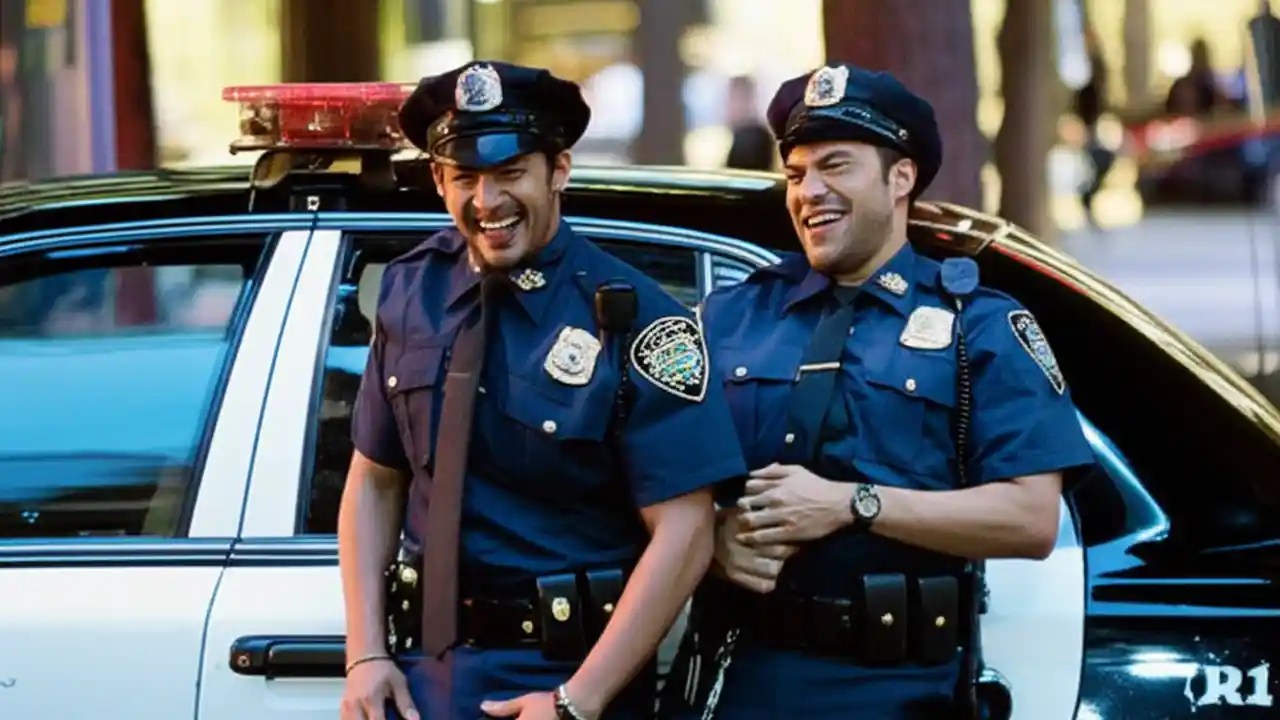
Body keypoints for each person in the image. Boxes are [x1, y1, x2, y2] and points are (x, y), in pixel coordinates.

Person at [661, 63, 1097, 718]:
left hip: (901, 688)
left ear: (901, 178)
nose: (810, 191)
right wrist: (712, 538)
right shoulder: (729, 318)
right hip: (745, 678)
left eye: (835, 166)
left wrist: (852, 504)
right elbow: (647, 477)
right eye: (797, 173)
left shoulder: (974, 325)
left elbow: (1031, 520)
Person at [337, 60, 746, 720]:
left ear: (558, 171)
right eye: (465, 177)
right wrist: (366, 653)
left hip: (568, 679)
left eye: (509, 174)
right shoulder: (412, 290)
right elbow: (375, 478)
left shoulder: (639, 320)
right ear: (439, 180)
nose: (487, 201)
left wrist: (575, 702)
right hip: (419, 681)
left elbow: (686, 530)